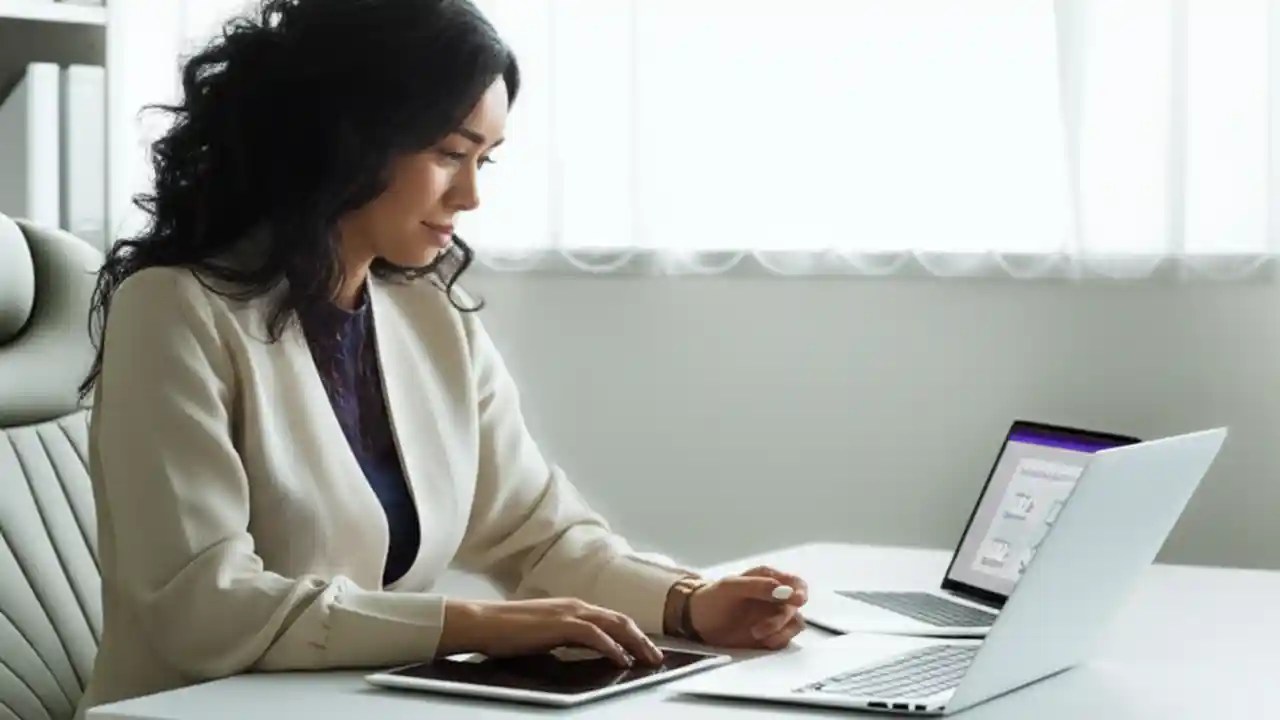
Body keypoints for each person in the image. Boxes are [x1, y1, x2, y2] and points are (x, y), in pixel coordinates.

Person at [76, 0, 809, 714]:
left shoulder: (429, 315)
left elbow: (540, 534)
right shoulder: (174, 311)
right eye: (449, 155)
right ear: (347, 137)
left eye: (484, 159)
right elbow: (203, 605)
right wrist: (472, 625)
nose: (470, 195)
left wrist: (687, 606)